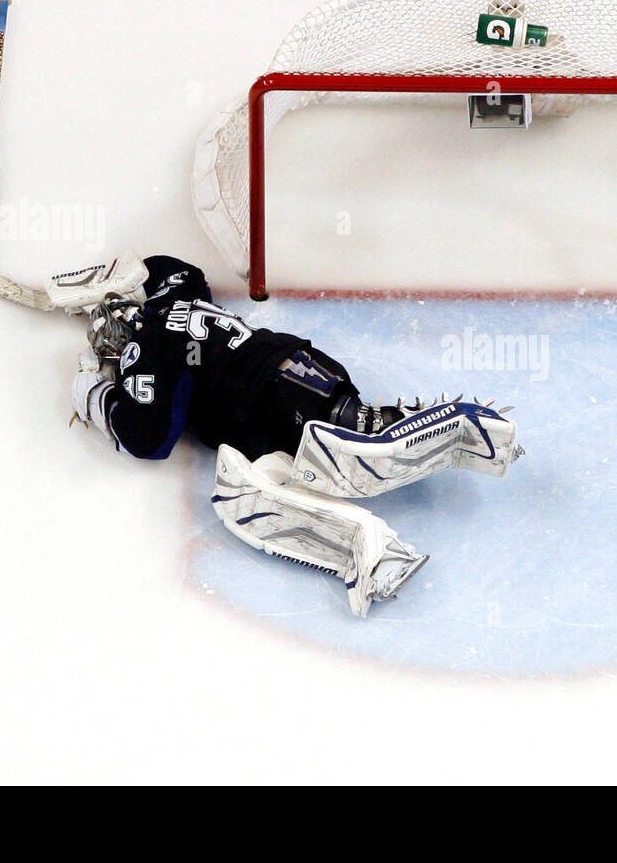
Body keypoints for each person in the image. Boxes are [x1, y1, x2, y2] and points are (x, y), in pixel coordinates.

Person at [71, 255, 521, 616]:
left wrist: (93, 392)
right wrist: (127, 272)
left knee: (358, 448)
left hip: (273, 396)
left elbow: (148, 438)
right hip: (294, 378)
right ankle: (373, 550)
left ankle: (466, 423)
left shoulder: (145, 348)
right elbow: (179, 270)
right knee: (245, 489)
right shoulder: (177, 295)